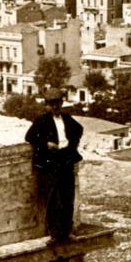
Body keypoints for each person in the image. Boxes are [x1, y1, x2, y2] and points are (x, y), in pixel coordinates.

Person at [25, 90, 83, 242]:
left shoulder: (67, 118)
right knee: (52, 199)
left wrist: (72, 146)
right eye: (51, 104)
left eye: (57, 103)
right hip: (51, 163)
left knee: (67, 198)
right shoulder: (41, 120)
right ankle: (55, 234)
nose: (55, 106)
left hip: (65, 160)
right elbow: (29, 137)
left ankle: (67, 232)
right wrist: (46, 144)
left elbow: (79, 129)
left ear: (61, 103)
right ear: (47, 105)